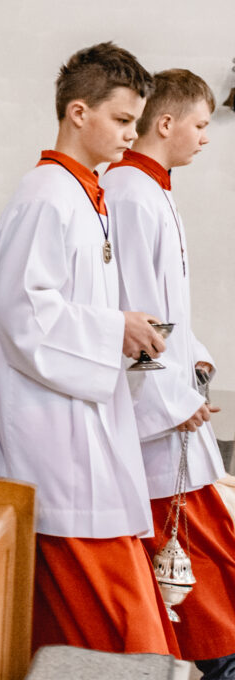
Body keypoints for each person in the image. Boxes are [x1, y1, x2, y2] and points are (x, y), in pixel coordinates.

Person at [0, 42, 175, 657]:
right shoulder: (45, 195)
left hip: (79, 413)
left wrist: (124, 328)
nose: (131, 134)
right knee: (102, 596)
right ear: (79, 113)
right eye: (122, 119)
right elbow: (23, 314)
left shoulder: (82, 192)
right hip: (50, 427)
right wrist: (113, 328)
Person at [105, 69, 235, 674]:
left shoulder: (152, 188)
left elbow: (167, 302)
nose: (206, 137)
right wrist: (171, 399)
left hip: (171, 399)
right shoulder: (131, 192)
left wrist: (195, 353)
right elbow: (133, 308)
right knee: (196, 564)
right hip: (153, 414)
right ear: (166, 123)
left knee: (209, 560)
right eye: (201, 125)